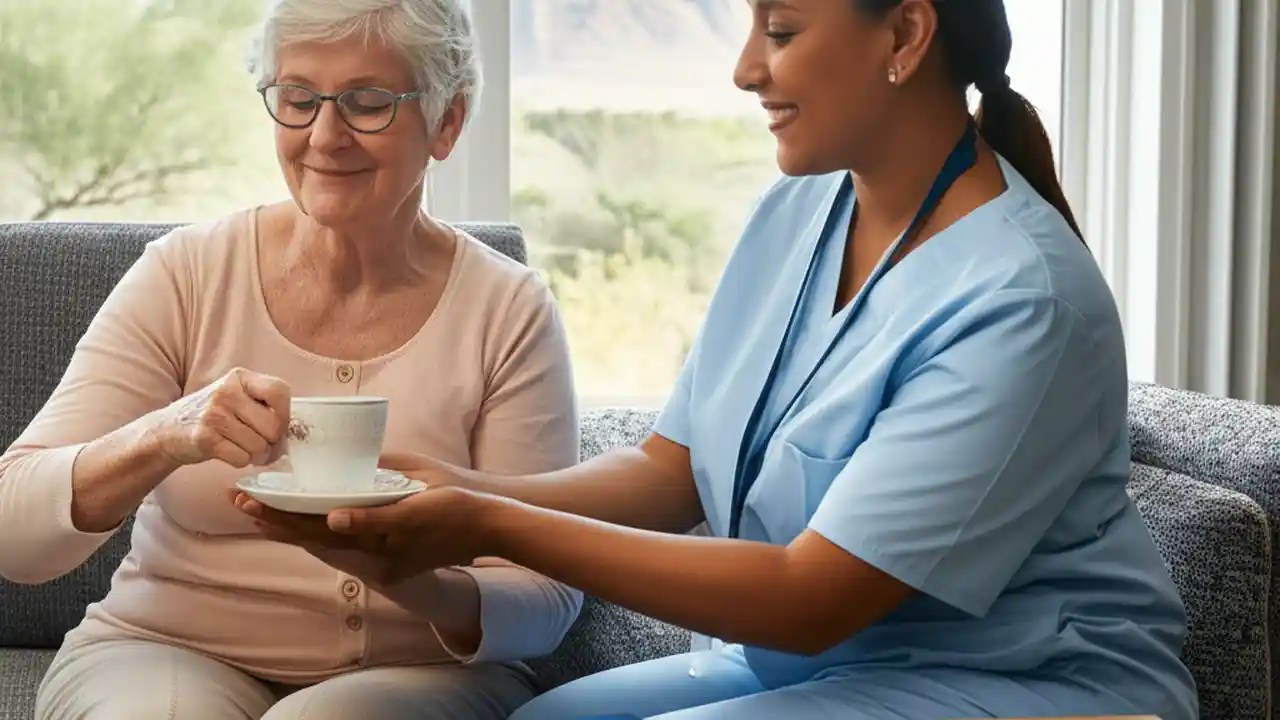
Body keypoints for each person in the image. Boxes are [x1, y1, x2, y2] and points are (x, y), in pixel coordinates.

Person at [240, 0, 1199, 718]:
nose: (745, 70)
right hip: (823, 667)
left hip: (1023, 686)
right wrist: (443, 485)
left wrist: (489, 523)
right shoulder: (798, 212)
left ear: (905, 37)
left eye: (780, 30)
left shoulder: (1020, 298)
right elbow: (672, 471)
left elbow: (811, 598)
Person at [0, 1, 582, 718]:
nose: (324, 136)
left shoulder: (509, 310)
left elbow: (548, 598)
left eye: (367, 103)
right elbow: (13, 534)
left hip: (428, 671)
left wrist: (412, 581)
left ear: (448, 121)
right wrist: (165, 435)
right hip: (166, 651)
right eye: (299, 100)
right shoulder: (186, 274)